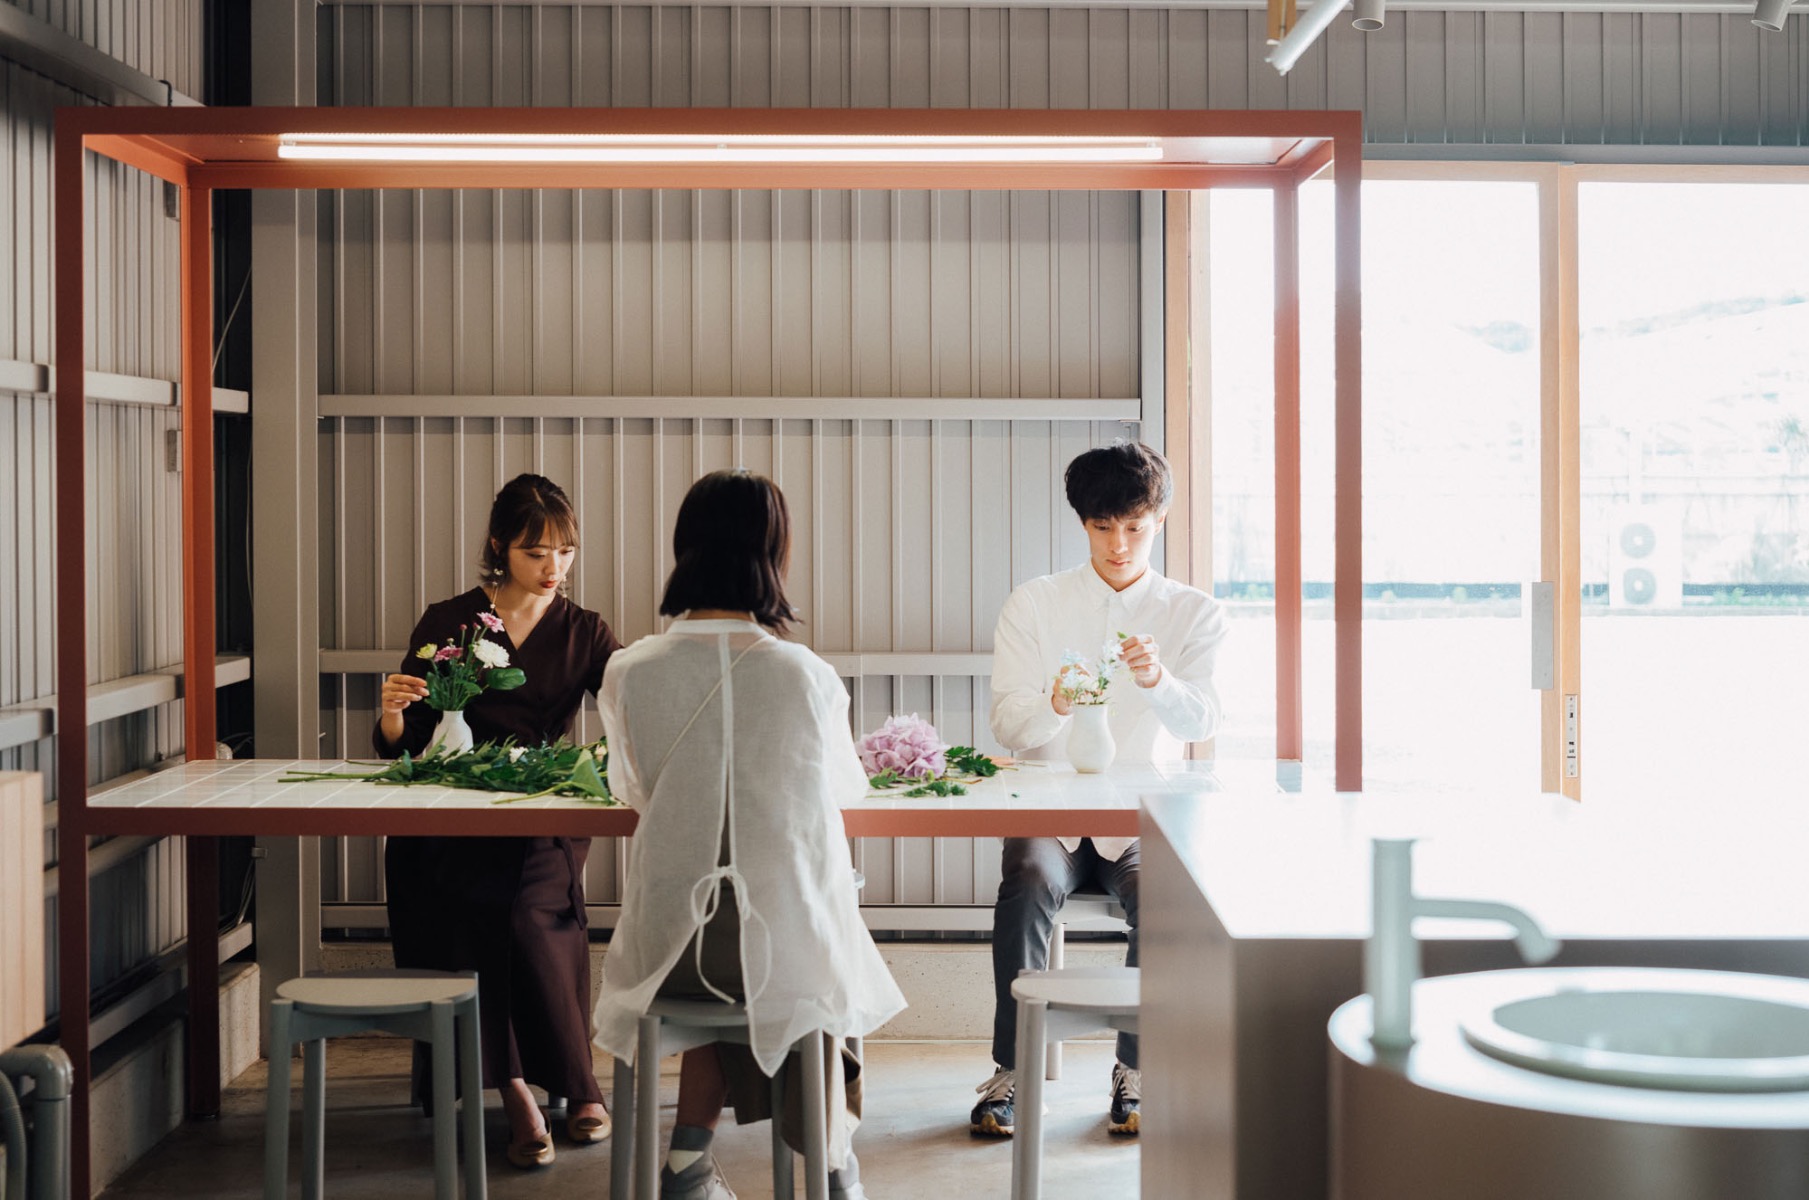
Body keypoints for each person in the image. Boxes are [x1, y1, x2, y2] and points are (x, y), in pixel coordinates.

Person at [593, 469, 906, 1200]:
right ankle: (832, 1165)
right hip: (779, 959)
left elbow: (631, 790)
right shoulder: (804, 675)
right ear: (773, 554)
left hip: (670, 954)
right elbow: (840, 792)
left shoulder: (630, 670)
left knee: (727, 920)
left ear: (685, 548)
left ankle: (687, 1163)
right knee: (801, 934)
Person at [971, 441, 1227, 1139]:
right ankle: (1013, 1069)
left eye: (1135, 527)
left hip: (1143, 817)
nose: (1119, 544)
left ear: (1160, 519)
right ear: (1082, 522)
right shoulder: (1035, 603)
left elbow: (1203, 722)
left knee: (1165, 897)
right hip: (1048, 815)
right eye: (1102, 527)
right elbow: (1008, 725)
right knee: (1027, 881)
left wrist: (1158, 681)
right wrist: (1055, 702)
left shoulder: (1193, 613)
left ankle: (1135, 1070)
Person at [374, 473, 619, 1170]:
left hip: (540, 812)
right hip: (450, 817)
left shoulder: (585, 631)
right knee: (471, 908)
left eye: (564, 551)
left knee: (528, 911)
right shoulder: (449, 621)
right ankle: (516, 1092)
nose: (553, 567)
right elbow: (405, 742)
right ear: (498, 546)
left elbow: (636, 707)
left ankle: (574, 1080)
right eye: (535, 552)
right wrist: (391, 714)